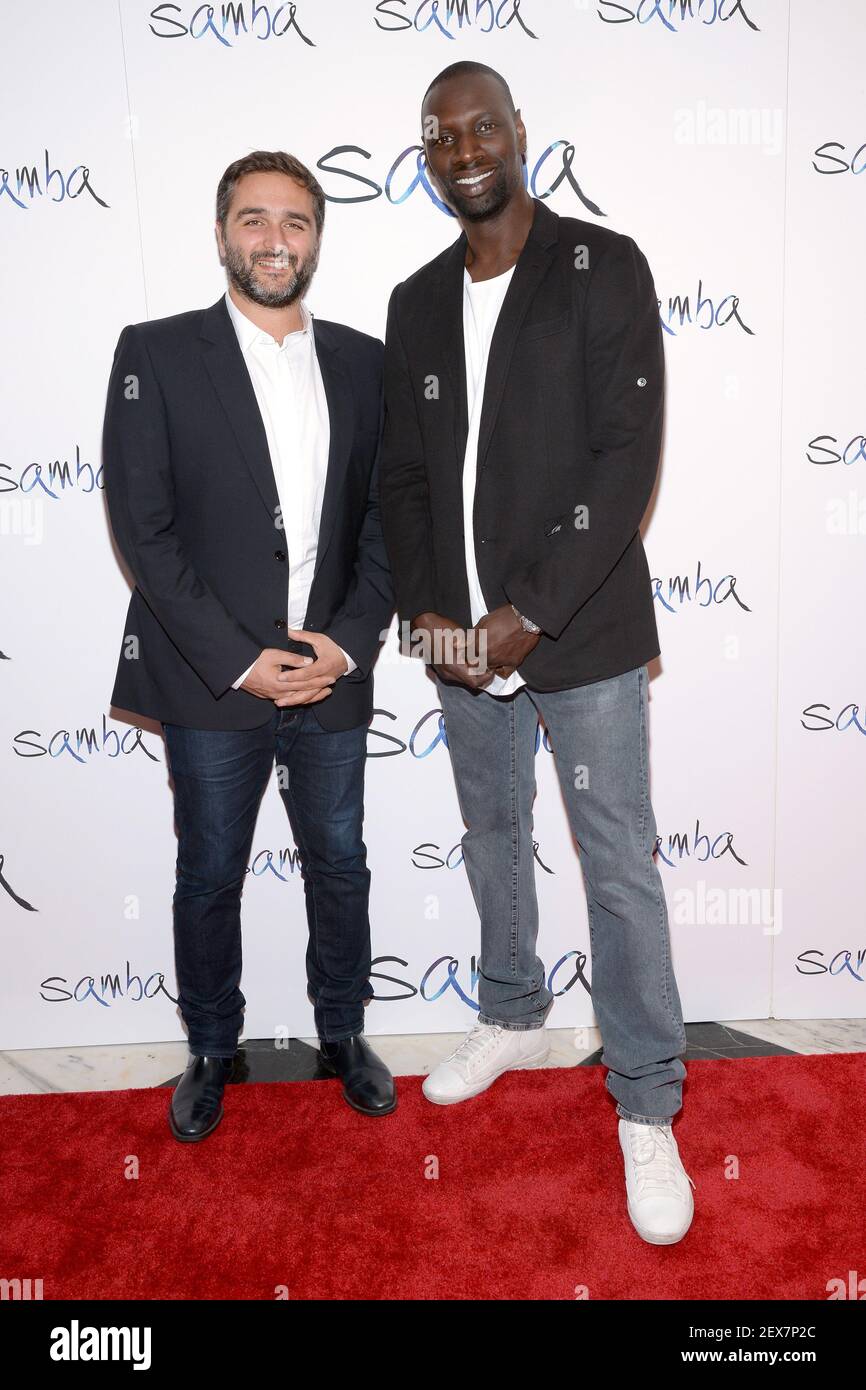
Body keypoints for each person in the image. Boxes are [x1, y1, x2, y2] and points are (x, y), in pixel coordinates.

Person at [379, 63, 694, 1244]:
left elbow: (626, 462)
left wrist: (530, 611)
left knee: (615, 862)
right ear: (425, 157)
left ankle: (648, 1100)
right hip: (458, 641)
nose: (461, 148)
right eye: (438, 134)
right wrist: (429, 615)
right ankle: (511, 1008)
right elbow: (402, 483)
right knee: (493, 835)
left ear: (519, 136)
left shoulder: (598, 266)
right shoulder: (414, 300)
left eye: (480, 126)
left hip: (583, 626)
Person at [103, 150, 396, 1142]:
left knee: (342, 862)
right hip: (209, 677)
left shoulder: (365, 360)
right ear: (222, 232)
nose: (275, 240)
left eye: (296, 221)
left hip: (330, 675)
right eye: (255, 219)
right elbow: (144, 528)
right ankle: (212, 1049)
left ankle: (344, 1034)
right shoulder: (156, 351)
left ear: (318, 236)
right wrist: (238, 656)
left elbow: (386, 526)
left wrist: (345, 646)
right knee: (210, 870)